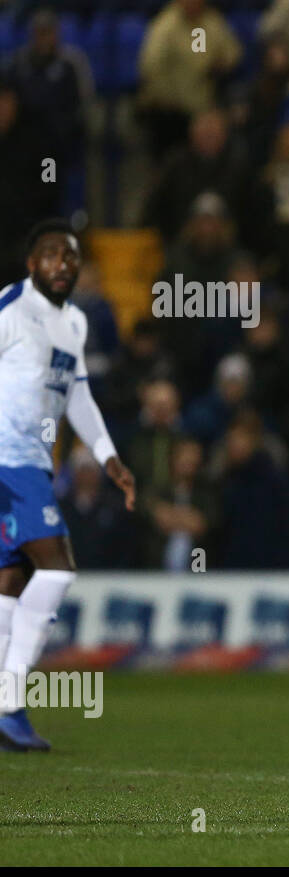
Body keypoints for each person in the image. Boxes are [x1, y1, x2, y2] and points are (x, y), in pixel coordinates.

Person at [0, 220, 136, 750]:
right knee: (55, 567)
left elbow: (77, 396)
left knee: (10, 582)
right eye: (52, 255)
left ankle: (7, 709)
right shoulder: (10, 308)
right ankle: (9, 700)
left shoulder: (75, 323)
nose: (64, 264)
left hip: (35, 464)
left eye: (73, 257)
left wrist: (108, 457)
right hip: (6, 463)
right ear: (32, 264)